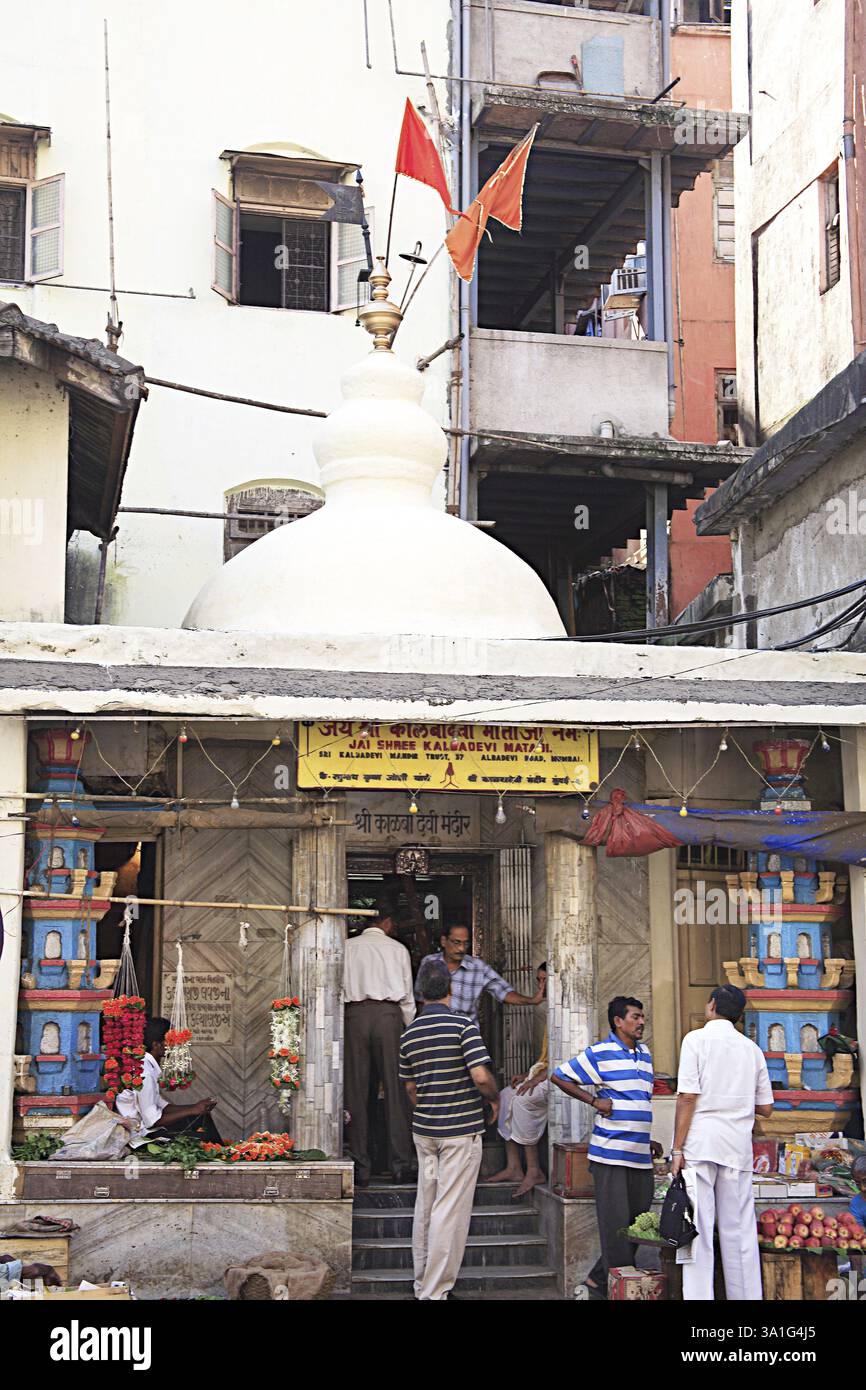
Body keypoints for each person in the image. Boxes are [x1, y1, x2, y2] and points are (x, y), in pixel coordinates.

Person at [399, 962, 499, 1301]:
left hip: (425, 1134)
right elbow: (481, 1077)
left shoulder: (409, 1033)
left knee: (426, 1206)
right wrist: (495, 1100)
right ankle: (434, 1291)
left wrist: (429, 1111)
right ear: (450, 990)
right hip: (459, 1135)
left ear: (421, 993)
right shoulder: (463, 1026)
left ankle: (421, 1283)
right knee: (448, 1210)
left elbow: (411, 1090)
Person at [551, 995, 659, 1299]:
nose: (641, 1022)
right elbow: (559, 1076)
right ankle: (618, 1291)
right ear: (618, 1021)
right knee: (615, 1227)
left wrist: (645, 1137)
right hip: (610, 1155)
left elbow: (638, 1099)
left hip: (639, 1154)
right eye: (635, 1017)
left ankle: (599, 1279)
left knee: (639, 1224)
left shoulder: (646, 1054)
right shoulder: (600, 1052)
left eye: (642, 1016)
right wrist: (593, 1101)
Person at [671, 983, 774, 1301]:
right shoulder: (751, 1049)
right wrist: (736, 1094)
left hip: (701, 1144)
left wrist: (676, 1148)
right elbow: (766, 1108)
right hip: (736, 1146)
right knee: (739, 1231)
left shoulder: (696, 1040)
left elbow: (688, 1097)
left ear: (712, 1005)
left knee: (698, 1230)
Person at [343, 894, 416, 1186]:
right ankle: (400, 1164)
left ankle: (361, 1167)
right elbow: (407, 996)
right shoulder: (398, 949)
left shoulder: (347, 947)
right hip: (389, 1017)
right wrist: (409, 1031)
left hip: (355, 1017)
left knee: (356, 1093)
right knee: (397, 1091)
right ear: (386, 922)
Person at [490, 962, 549, 1197]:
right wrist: (529, 1075)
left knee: (523, 1100)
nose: (541, 986)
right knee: (505, 1095)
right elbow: (547, 1058)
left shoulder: (566, 1009)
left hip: (562, 1080)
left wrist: (536, 1080)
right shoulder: (549, 1011)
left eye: (546, 981)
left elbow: (565, 1061)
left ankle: (534, 1170)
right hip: (543, 1073)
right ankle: (514, 1166)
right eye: (539, 981)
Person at [116, 1016, 222, 1146]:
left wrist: (196, 1107)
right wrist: (192, 1110)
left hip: (151, 1128)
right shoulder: (145, 1072)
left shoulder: (147, 1065)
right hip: (142, 1136)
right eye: (169, 1041)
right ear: (156, 1045)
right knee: (205, 1136)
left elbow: (161, 1106)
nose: (173, 1045)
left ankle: (223, 1153)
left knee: (202, 1117)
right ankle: (223, 1156)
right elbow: (152, 1121)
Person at [415, 923, 545, 1022]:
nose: (461, 948)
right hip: (437, 1035)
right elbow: (420, 1000)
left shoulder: (477, 967)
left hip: (465, 1038)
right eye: (456, 942)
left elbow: (503, 992)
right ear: (444, 941)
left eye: (465, 943)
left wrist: (531, 1000)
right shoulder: (429, 963)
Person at [849, 1155, 866, 1227]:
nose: (863, 1188)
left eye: (865, 1181)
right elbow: (861, 1232)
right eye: (858, 1183)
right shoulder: (856, 1204)